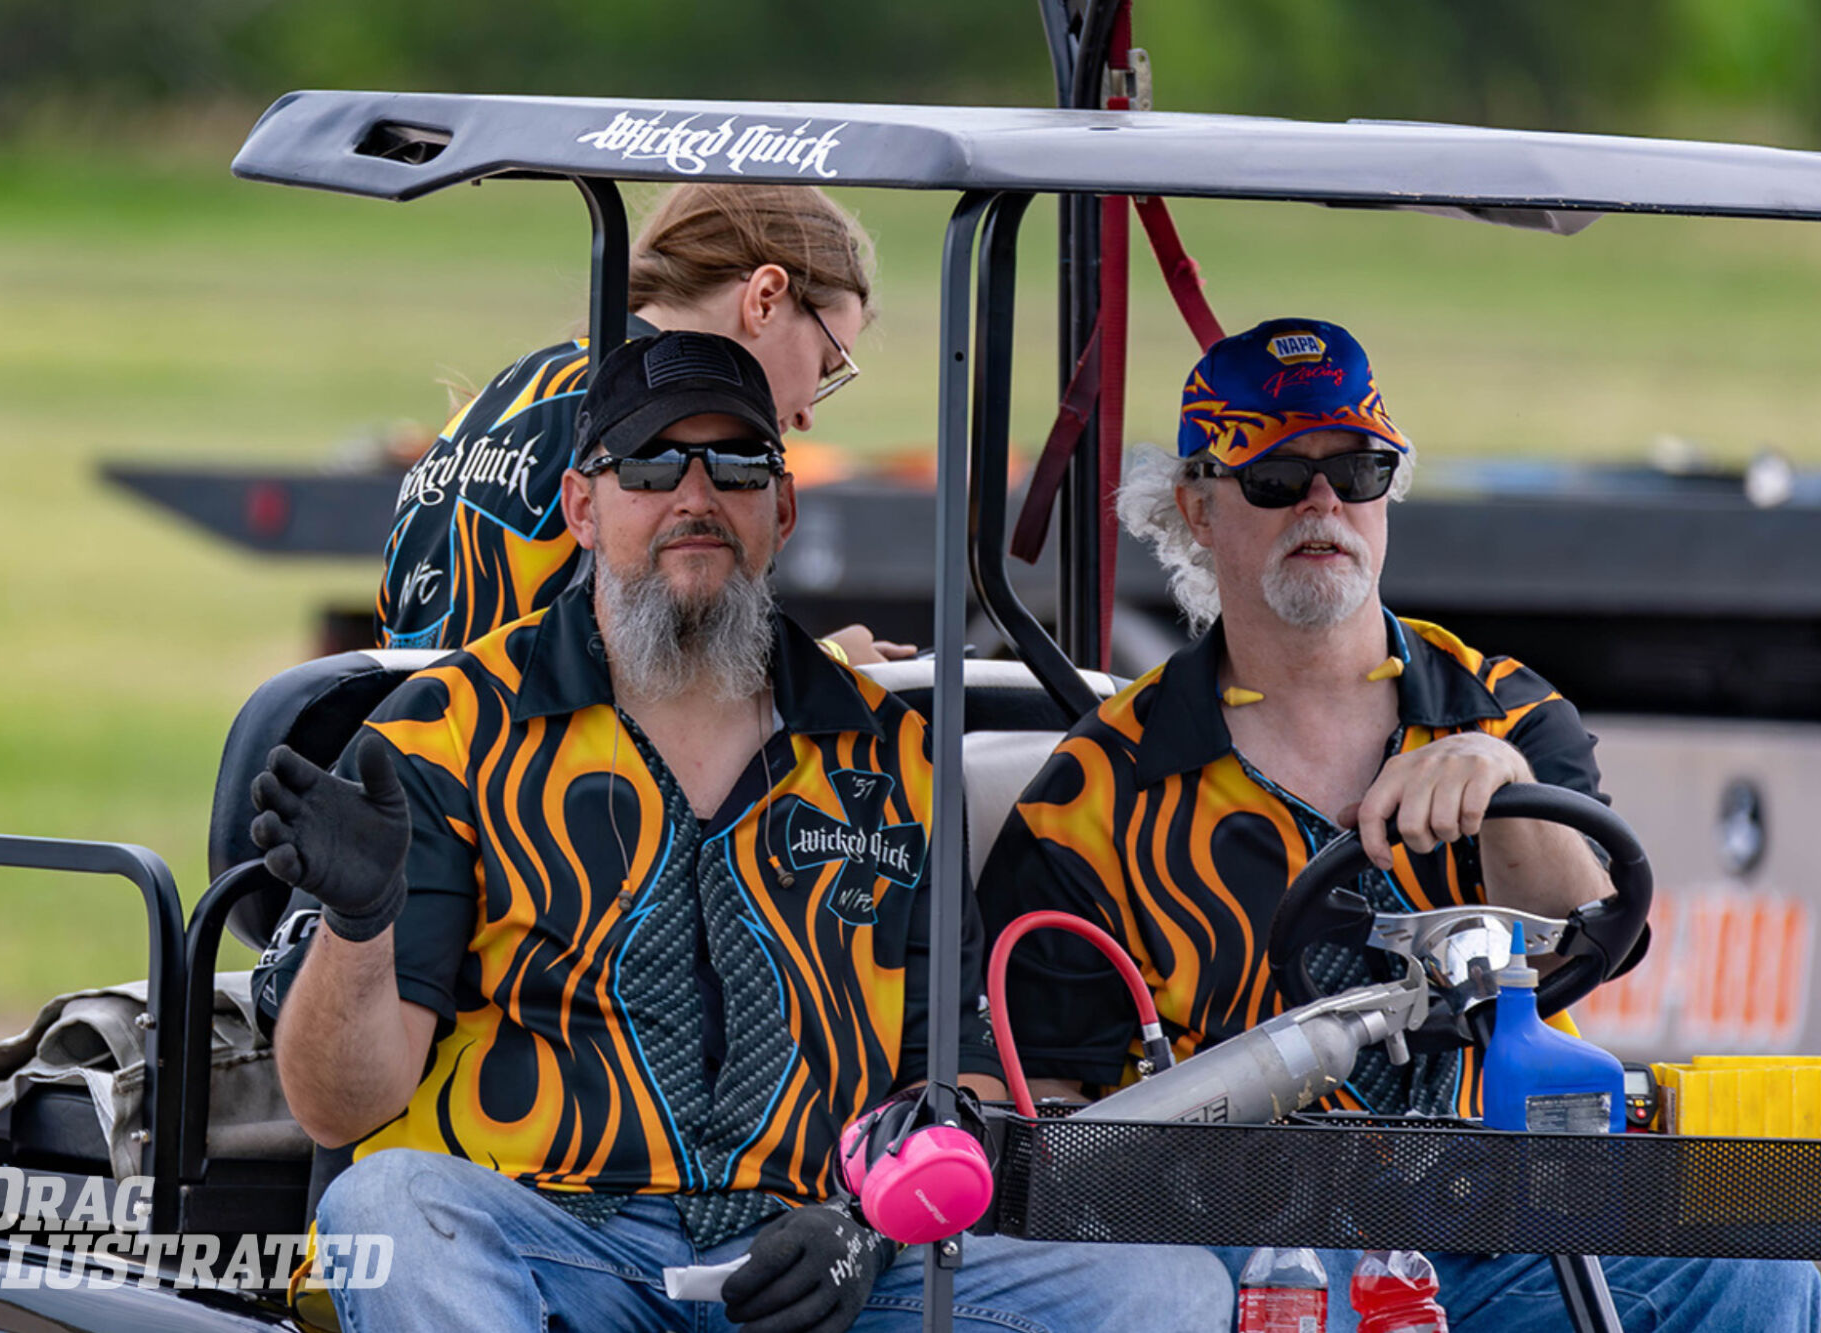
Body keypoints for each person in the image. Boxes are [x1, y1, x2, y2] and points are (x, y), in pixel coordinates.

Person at [252, 331, 1230, 1332]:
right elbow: (341, 1110)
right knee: (389, 1207)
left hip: (819, 1258)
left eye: (735, 464)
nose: (694, 494)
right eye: (648, 463)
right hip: (555, 1238)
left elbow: (960, 1075)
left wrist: (866, 1227)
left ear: (782, 508)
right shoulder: (448, 731)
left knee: (1167, 1290)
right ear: (583, 508)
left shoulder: (891, 755)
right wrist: (357, 925)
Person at [975, 318, 1821, 1333]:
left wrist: (1498, 778)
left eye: (1357, 470)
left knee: (1760, 1278)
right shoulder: (1097, 791)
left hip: (1493, 1233)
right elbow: (1045, 1103)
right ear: (1197, 508)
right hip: (1249, 1256)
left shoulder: (1504, 706)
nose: (1323, 502)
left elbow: (1597, 928)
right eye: (1278, 476)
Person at [376, 181, 909, 663]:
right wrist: (835, 662)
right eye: (827, 364)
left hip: (419, 743)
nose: (807, 413)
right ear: (764, 300)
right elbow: (681, 686)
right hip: (525, 759)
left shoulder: (516, 387)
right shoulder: (664, 428)